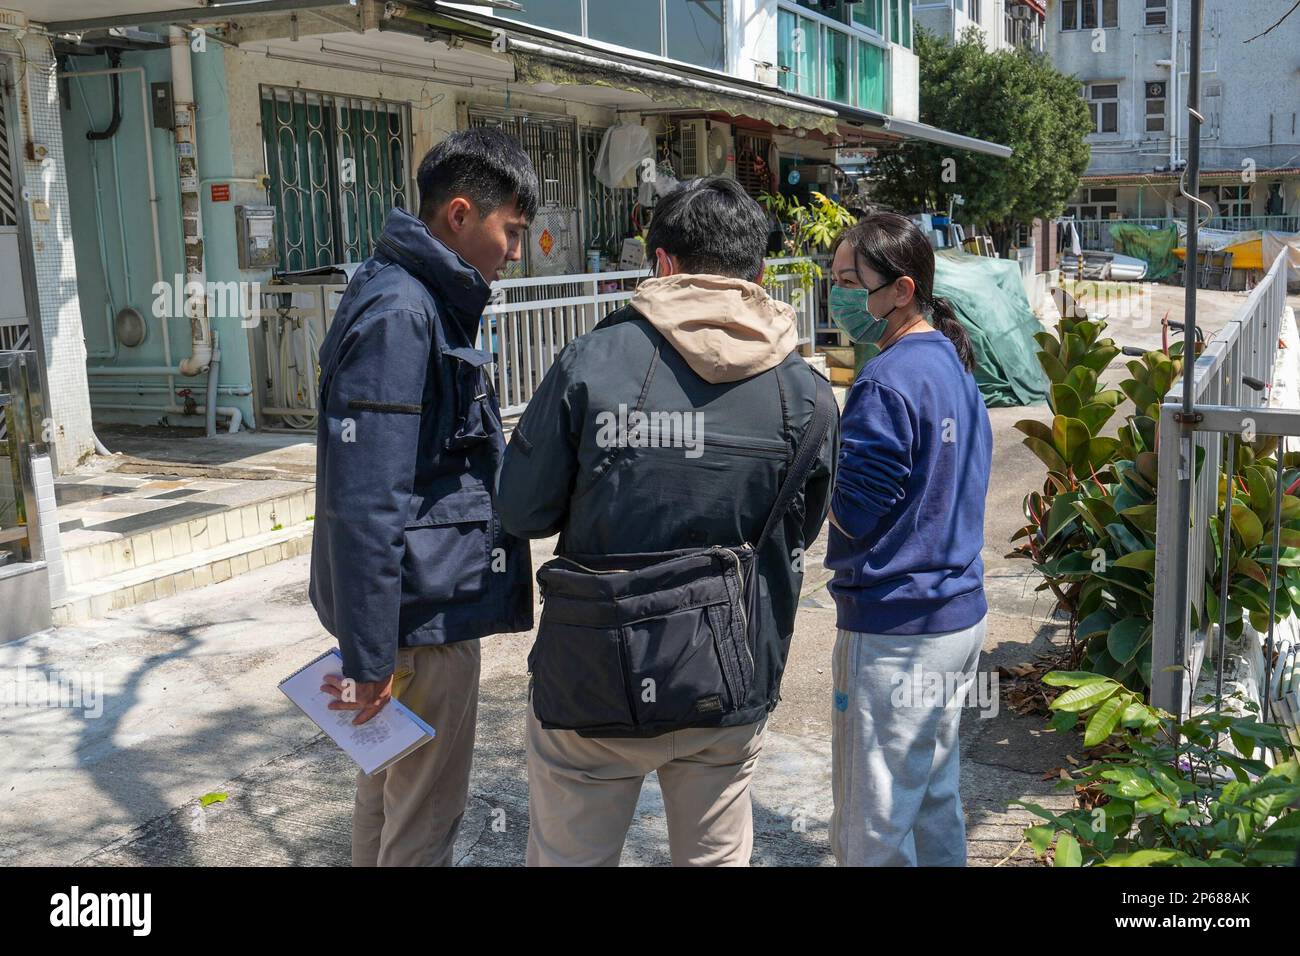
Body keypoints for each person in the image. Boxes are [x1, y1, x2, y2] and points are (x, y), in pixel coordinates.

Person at [497, 177, 838, 867]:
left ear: (662, 264)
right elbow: (798, 533)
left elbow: (520, 510)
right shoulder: (806, 392)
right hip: (730, 675)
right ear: (761, 274)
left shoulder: (591, 360)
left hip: (594, 679)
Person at [309, 128, 538, 867]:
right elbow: (367, 498)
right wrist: (369, 655)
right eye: (512, 230)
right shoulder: (404, 314)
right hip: (418, 622)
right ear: (461, 215)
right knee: (425, 816)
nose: (515, 251)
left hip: (406, 611)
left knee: (388, 797)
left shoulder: (401, 294)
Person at [824, 212, 993, 867]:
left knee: (873, 823)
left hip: (895, 630)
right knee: (931, 800)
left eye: (848, 281)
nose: (838, 295)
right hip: (955, 618)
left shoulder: (885, 380)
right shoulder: (950, 362)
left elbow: (854, 512)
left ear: (899, 290)